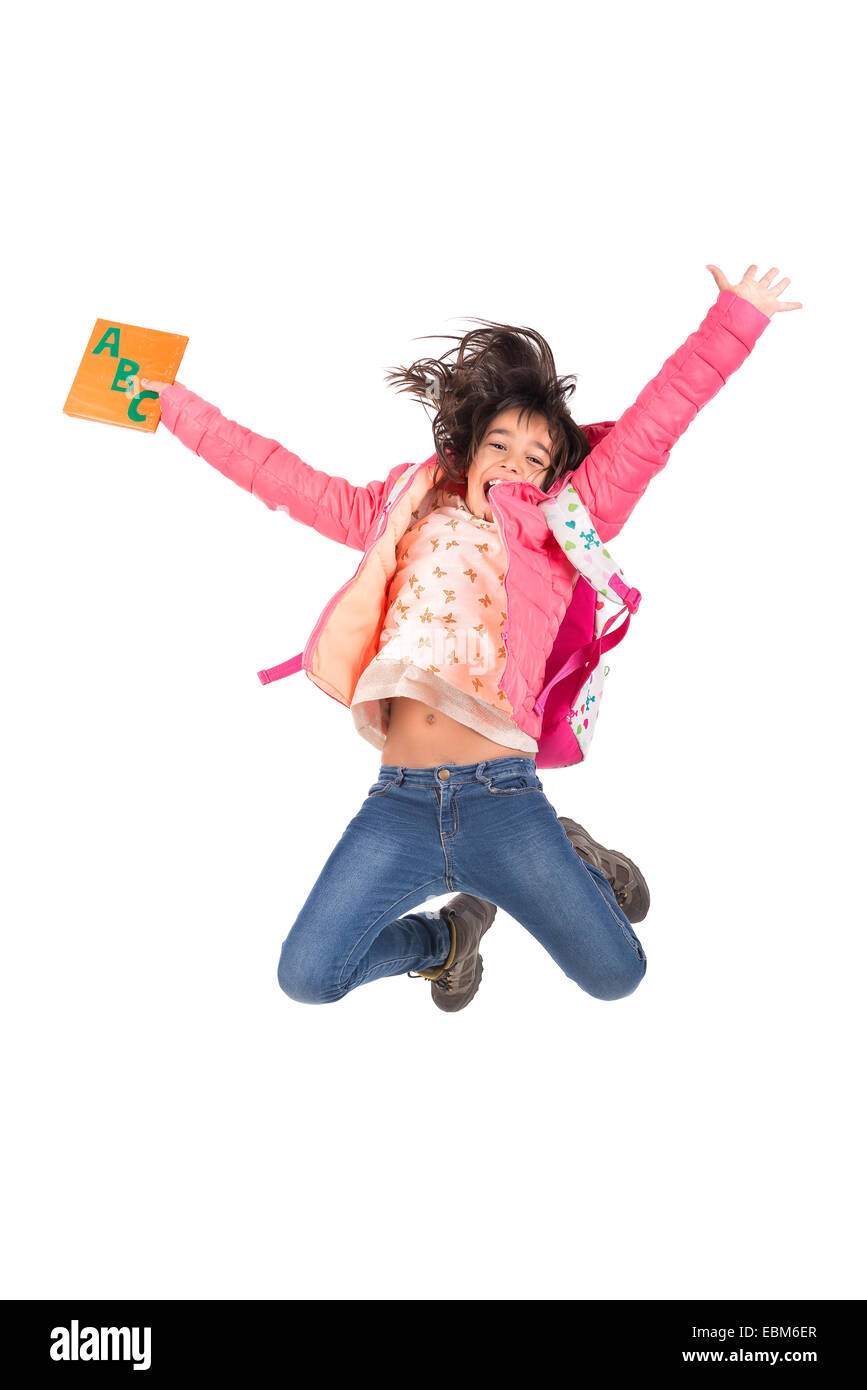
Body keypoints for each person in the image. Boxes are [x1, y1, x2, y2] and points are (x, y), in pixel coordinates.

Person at [141, 262, 800, 1014]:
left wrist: (733, 320)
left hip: (502, 800)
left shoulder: (561, 527)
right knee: (308, 977)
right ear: (468, 449)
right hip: (399, 801)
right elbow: (278, 476)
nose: (514, 465)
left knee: (617, 976)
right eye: (501, 446)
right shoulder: (401, 511)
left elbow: (656, 424)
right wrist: (170, 405)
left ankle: (574, 855)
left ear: (555, 476)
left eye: (535, 458)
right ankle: (445, 943)